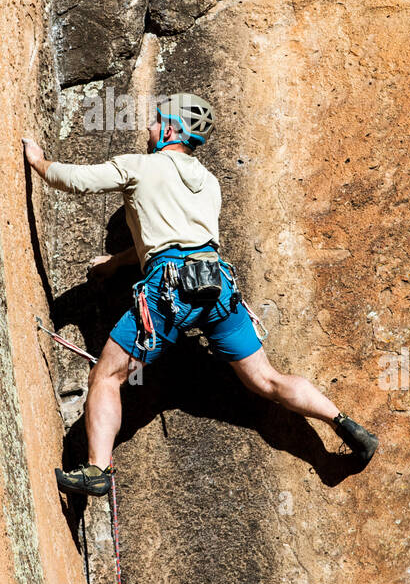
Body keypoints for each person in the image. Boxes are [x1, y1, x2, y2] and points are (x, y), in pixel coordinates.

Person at [22, 93, 378, 496]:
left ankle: (97, 470)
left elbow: (76, 182)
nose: (150, 128)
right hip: (218, 287)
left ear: (171, 129)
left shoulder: (142, 166)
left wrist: (38, 160)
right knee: (266, 380)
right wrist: (118, 263)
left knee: (107, 377)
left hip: (167, 289)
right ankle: (344, 424)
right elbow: (183, 239)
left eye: (157, 121)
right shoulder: (209, 183)